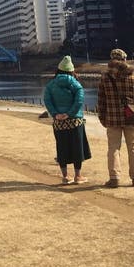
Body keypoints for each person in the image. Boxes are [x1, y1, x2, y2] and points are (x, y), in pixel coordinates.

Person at [97, 48, 134, 188]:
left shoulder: (105, 78)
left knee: (113, 148)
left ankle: (114, 178)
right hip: (131, 117)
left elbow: (101, 101)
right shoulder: (132, 77)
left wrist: (102, 118)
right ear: (125, 59)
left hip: (112, 118)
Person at [43, 55, 91, 185]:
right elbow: (79, 101)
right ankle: (78, 176)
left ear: (58, 70)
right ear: (71, 70)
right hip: (75, 121)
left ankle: (65, 177)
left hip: (59, 122)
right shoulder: (76, 84)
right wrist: (70, 114)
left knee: (61, 147)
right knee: (77, 147)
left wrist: (55, 114)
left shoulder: (50, 85)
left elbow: (47, 100)